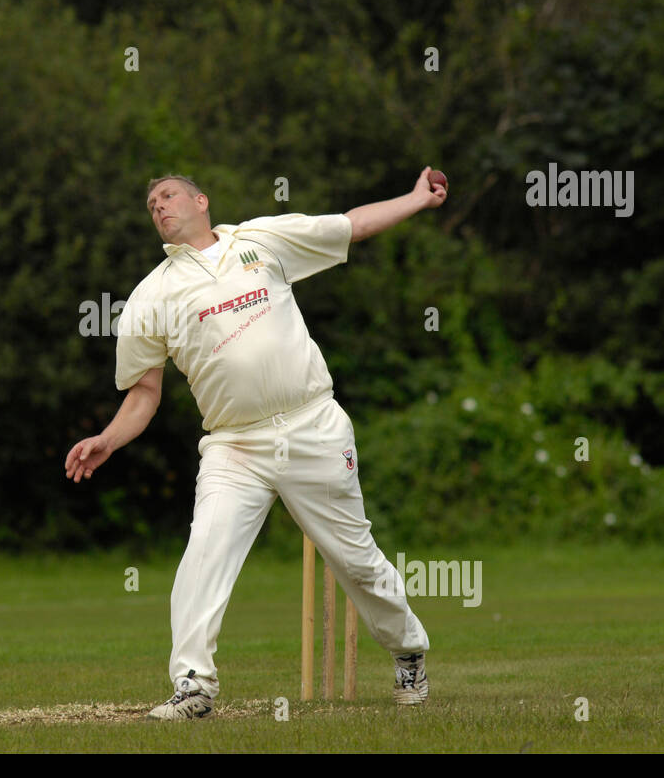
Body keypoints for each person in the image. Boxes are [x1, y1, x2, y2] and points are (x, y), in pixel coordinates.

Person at [65, 170, 446, 720]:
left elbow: (352, 226)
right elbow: (145, 392)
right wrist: (108, 438)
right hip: (234, 446)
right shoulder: (151, 295)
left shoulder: (259, 240)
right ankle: (193, 684)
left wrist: (415, 199)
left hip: (312, 425)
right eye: (150, 204)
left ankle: (408, 650)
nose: (158, 207)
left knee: (355, 561)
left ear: (201, 200)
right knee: (204, 553)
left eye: (167, 196)